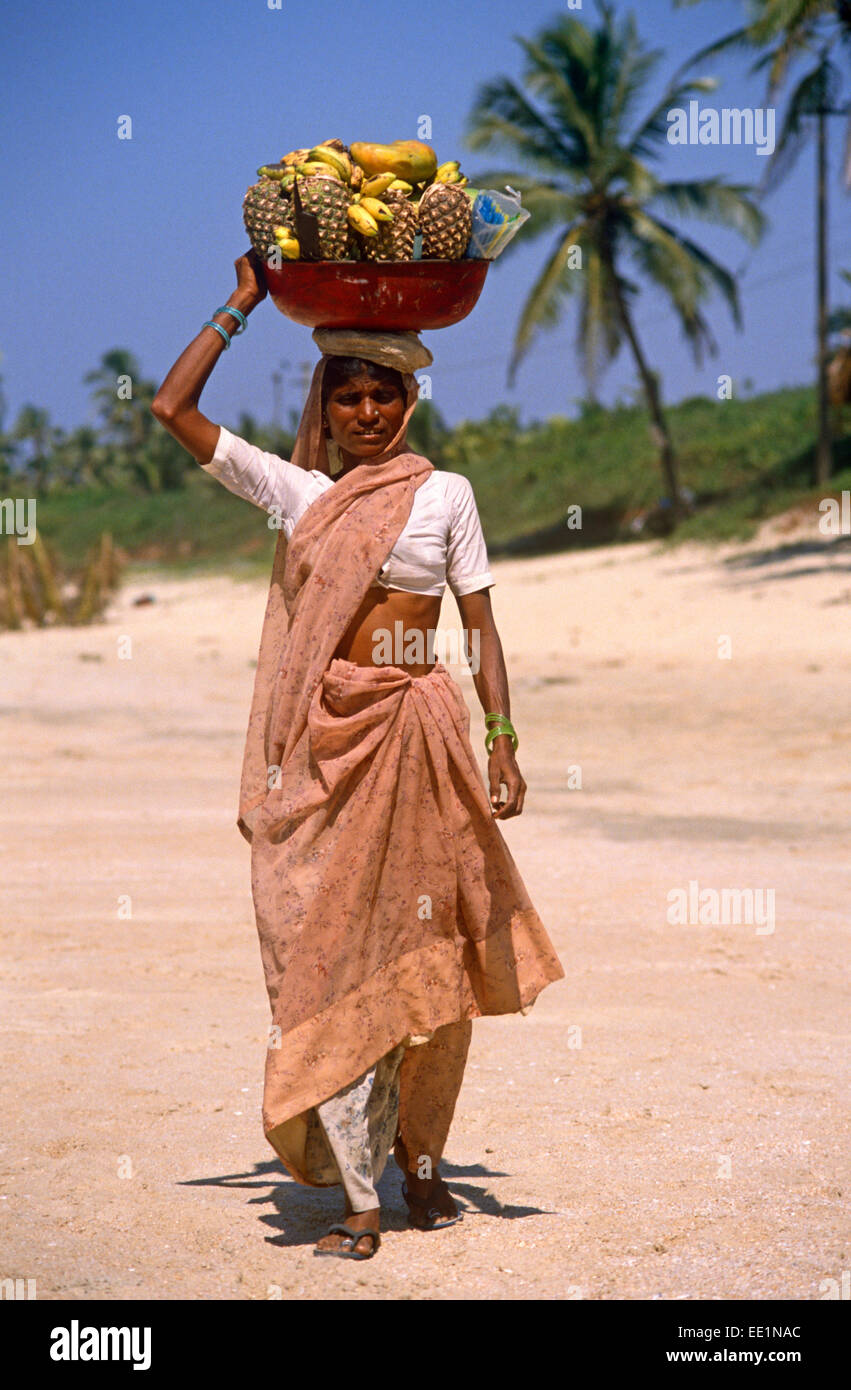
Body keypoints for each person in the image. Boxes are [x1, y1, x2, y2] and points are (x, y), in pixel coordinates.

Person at [151, 249, 564, 1260]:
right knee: (325, 962)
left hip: (424, 739)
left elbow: (478, 626)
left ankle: (414, 1171)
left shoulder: (445, 496)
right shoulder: (299, 494)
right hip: (330, 754)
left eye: (384, 395)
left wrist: (502, 735)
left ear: (409, 403)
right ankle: (356, 1189)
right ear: (326, 409)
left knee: (434, 957)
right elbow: (171, 408)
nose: (368, 414)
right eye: (350, 398)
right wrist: (241, 301)